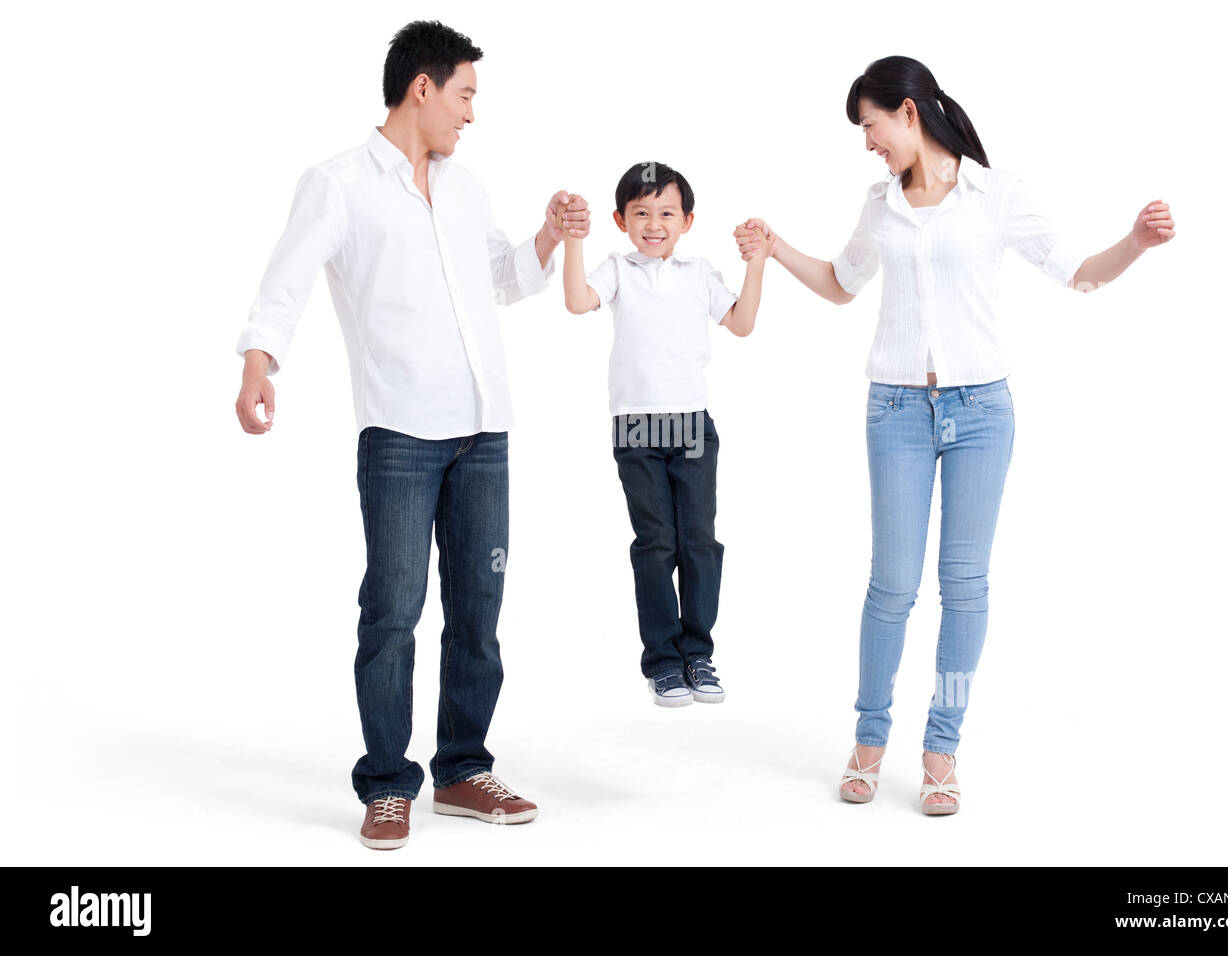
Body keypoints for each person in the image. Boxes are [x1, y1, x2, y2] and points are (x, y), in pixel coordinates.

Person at [735, 55, 1174, 814]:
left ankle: (941, 749)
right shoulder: (880, 205)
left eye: (871, 127)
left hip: (982, 413)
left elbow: (1078, 274)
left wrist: (1133, 241)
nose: (868, 144)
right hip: (897, 410)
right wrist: (774, 248)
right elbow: (842, 284)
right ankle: (870, 739)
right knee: (892, 585)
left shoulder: (995, 193)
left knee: (964, 586)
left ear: (908, 113)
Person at [232, 20, 591, 849]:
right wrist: (259, 363)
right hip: (399, 432)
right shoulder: (337, 184)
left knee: (479, 610)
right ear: (421, 88)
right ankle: (388, 784)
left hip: (484, 431)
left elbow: (503, 277)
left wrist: (549, 233)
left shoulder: (466, 189)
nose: (472, 114)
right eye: (465, 94)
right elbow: (283, 283)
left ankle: (463, 771)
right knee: (393, 611)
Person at [560, 162, 769, 706]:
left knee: (698, 541)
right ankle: (663, 662)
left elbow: (742, 324)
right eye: (641, 213)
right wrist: (574, 242)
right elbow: (578, 300)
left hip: (692, 424)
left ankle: (698, 653)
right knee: (656, 544)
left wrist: (757, 264)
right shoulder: (617, 268)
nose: (654, 224)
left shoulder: (699, 273)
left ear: (687, 220)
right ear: (621, 219)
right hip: (635, 424)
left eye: (666, 213)